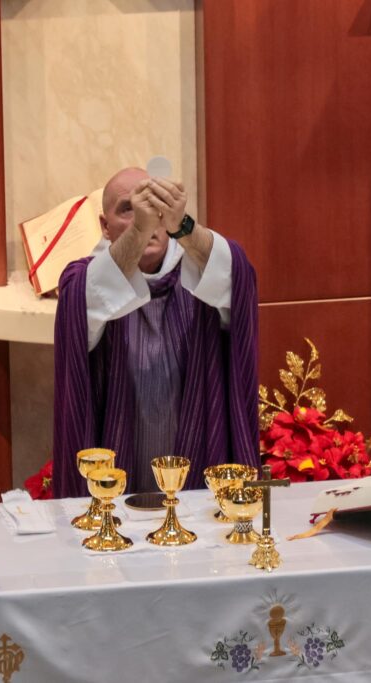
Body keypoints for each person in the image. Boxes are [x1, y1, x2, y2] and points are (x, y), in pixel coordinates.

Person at [52, 167, 259, 497]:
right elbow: (89, 296)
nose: (146, 219)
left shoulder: (199, 272)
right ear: (105, 227)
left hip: (197, 470)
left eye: (155, 207)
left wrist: (184, 228)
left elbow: (237, 272)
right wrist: (140, 229)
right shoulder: (83, 281)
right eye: (128, 208)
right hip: (114, 482)